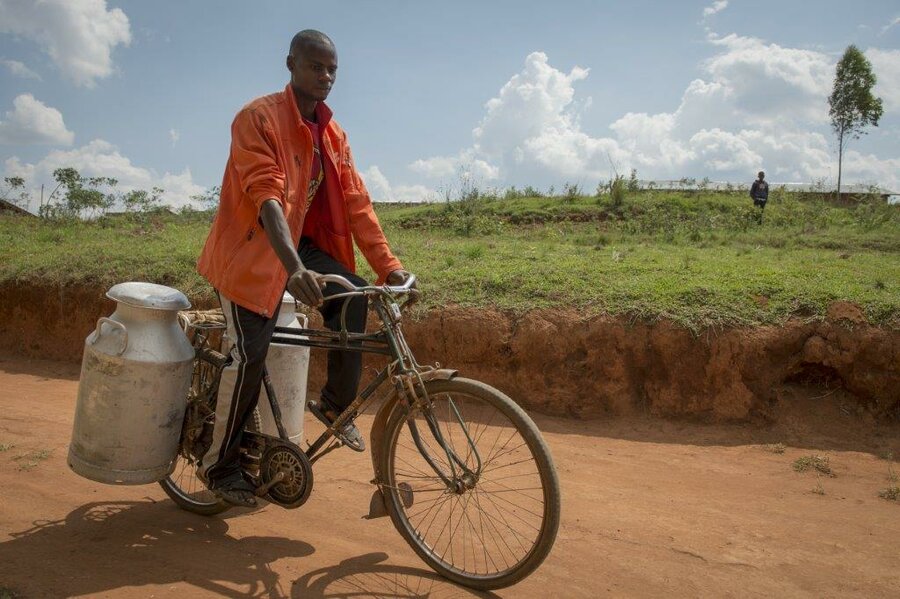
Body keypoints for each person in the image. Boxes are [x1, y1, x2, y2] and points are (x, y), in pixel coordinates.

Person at [195, 30, 412, 506]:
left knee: (354, 295)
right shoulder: (257, 118)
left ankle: (336, 403)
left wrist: (389, 267)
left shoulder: (332, 133)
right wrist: (292, 269)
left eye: (332, 69)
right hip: (251, 255)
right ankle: (220, 464)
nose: (326, 76)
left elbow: (357, 203)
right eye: (316, 66)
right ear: (291, 63)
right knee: (249, 354)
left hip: (300, 246)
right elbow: (266, 197)